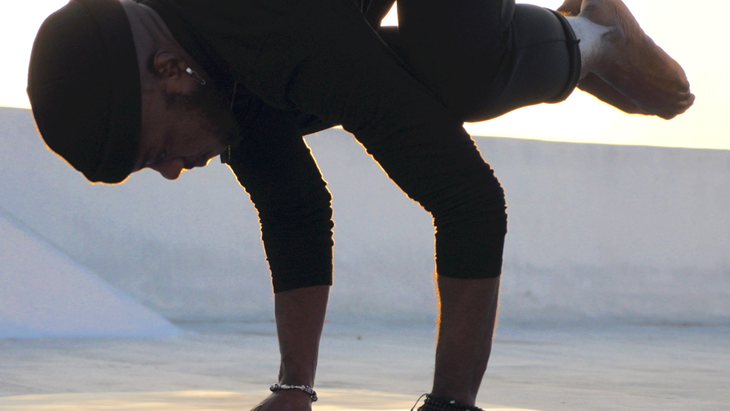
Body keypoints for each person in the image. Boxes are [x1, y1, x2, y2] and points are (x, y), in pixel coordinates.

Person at [26, 0, 693, 410]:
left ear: (170, 71)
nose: (173, 170)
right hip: (308, 40)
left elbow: (470, 201)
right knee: (332, 93)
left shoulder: (281, 33)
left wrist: (450, 404)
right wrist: (294, 388)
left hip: (309, 33)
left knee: (458, 75)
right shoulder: (198, 58)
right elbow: (294, 207)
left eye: (155, 151)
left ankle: (596, 33)